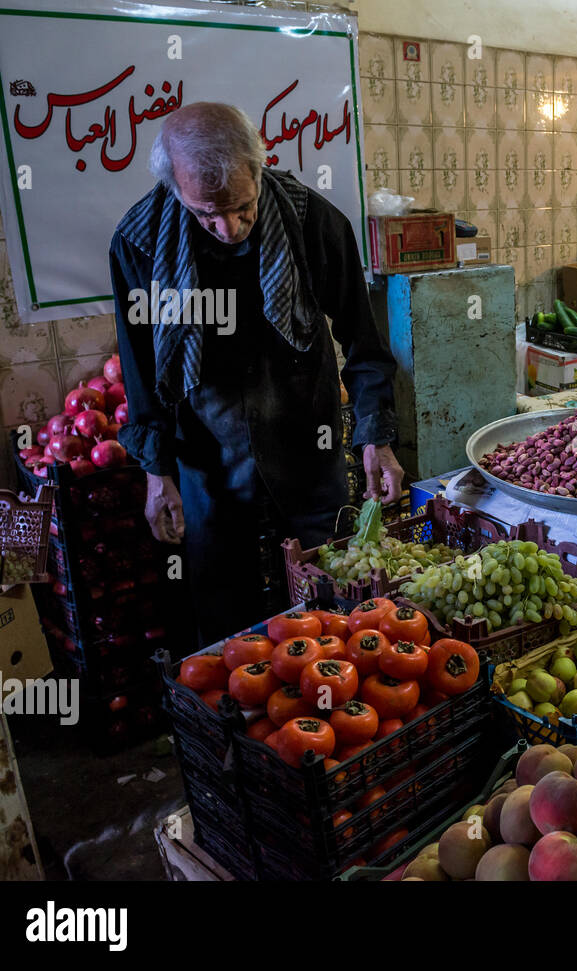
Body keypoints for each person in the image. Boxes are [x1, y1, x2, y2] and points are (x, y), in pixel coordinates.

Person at [109, 102, 403, 647]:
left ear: (260, 165)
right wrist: (156, 471)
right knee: (230, 625)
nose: (229, 227)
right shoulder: (140, 244)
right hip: (209, 462)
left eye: (243, 207)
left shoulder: (314, 222)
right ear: (174, 188)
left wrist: (376, 436)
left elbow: (363, 342)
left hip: (307, 450)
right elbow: (141, 369)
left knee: (331, 609)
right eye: (206, 214)